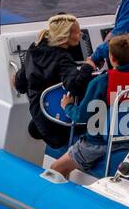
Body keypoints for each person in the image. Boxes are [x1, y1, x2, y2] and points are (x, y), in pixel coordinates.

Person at [50, 33, 129, 178]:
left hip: (96, 144)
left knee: (55, 169)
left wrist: (67, 106)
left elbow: (81, 116)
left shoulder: (101, 82)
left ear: (112, 58)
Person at [13, 13, 94, 149]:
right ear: (64, 37)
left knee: (33, 128)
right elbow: (75, 86)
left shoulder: (34, 49)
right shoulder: (63, 59)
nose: (80, 34)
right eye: (77, 32)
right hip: (61, 126)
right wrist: (88, 66)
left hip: (42, 120)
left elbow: (20, 85)